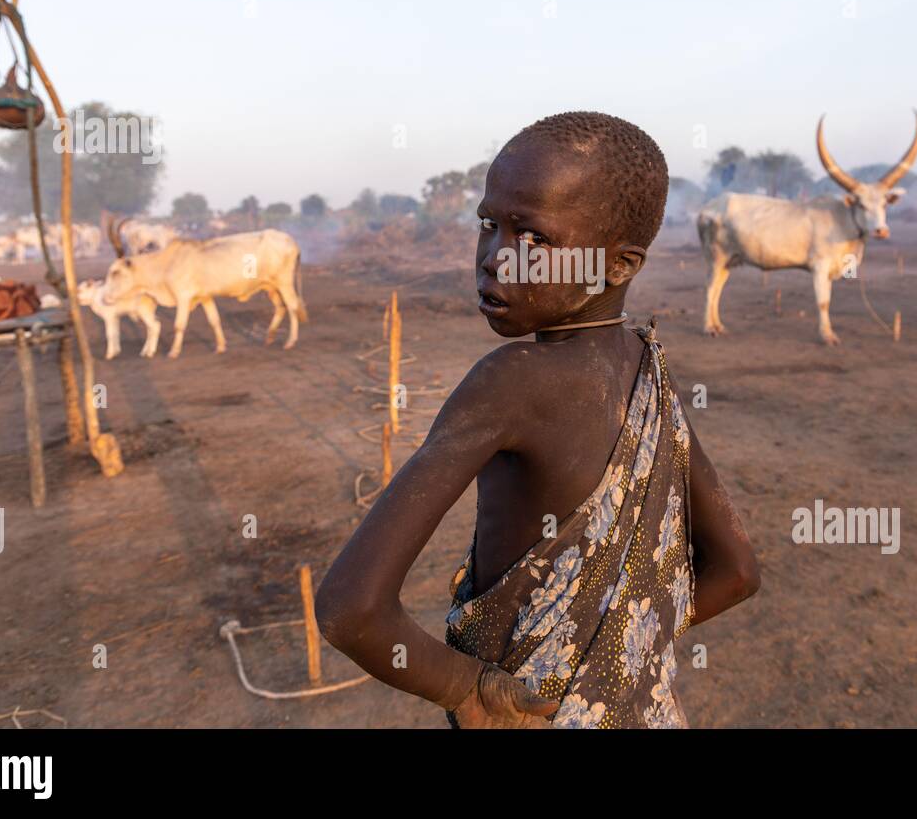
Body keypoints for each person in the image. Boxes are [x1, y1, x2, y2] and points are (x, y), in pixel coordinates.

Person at [316, 112, 760, 728]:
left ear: (621, 265)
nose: (497, 258)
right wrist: (616, 650)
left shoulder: (510, 379)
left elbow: (349, 609)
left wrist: (470, 691)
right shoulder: (649, 371)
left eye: (535, 239)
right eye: (488, 224)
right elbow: (736, 572)